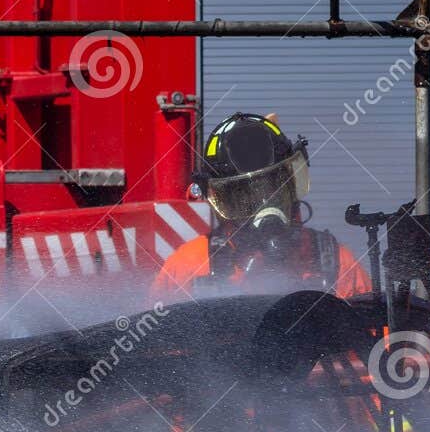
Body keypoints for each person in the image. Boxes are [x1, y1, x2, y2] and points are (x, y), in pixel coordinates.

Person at [152, 113, 370, 302]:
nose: (264, 206)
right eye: (246, 196)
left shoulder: (334, 264)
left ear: (293, 184)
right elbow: (156, 346)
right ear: (220, 201)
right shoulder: (189, 266)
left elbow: (378, 346)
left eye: (273, 189)